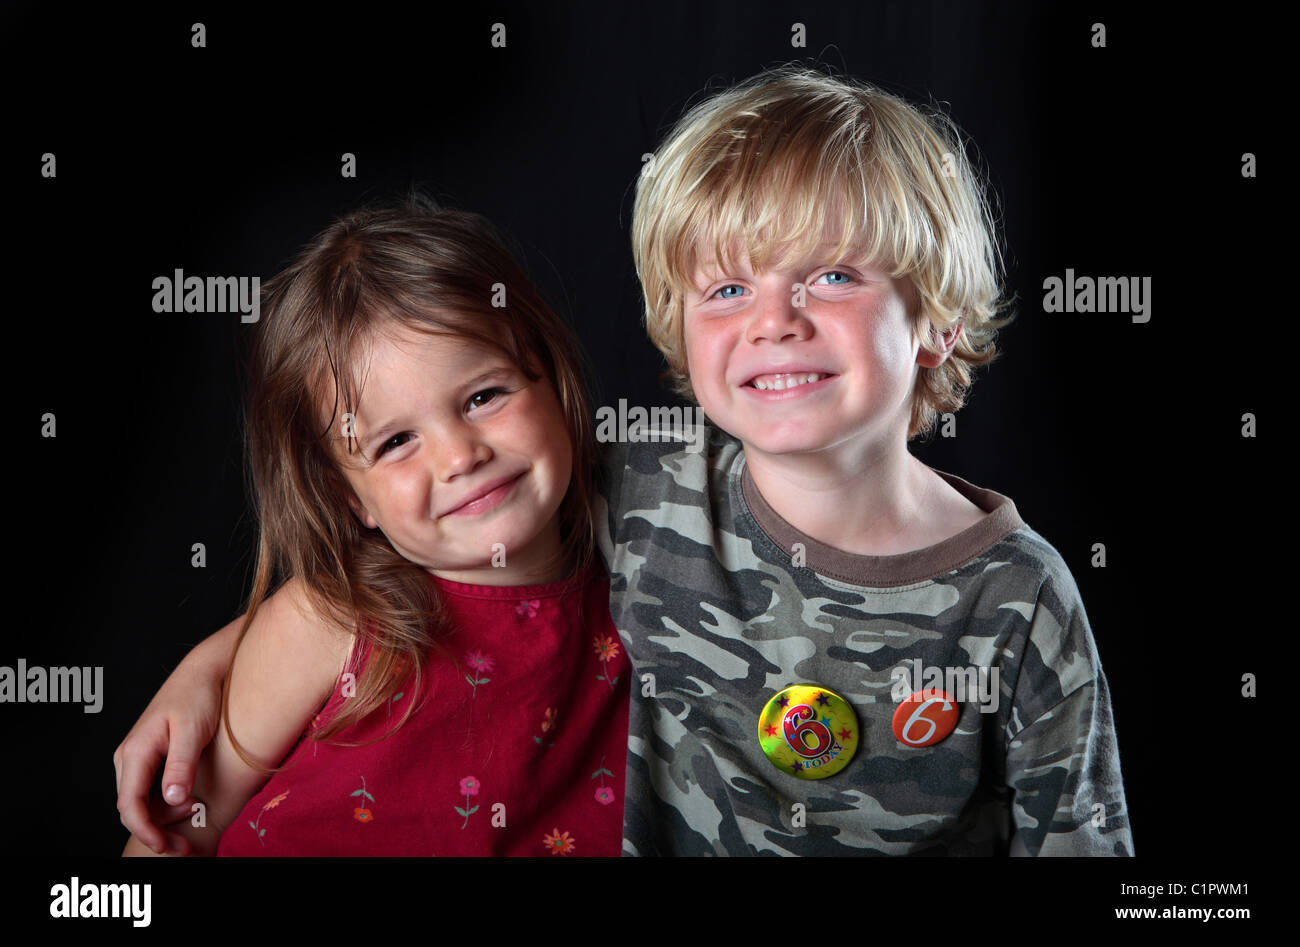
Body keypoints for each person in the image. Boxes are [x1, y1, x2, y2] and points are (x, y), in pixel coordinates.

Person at [118, 66, 1133, 856]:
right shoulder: (645, 491)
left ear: (938, 322)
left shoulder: (1017, 597)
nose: (776, 321)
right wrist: (205, 676)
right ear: (678, 329)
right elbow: (429, 538)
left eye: (833, 273)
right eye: (727, 289)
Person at [119, 199, 629, 856]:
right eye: (395, 442)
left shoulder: (643, 557)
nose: (459, 455)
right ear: (351, 498)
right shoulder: (336, 619)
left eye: (484, 396)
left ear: (552, 382)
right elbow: (180, 829)